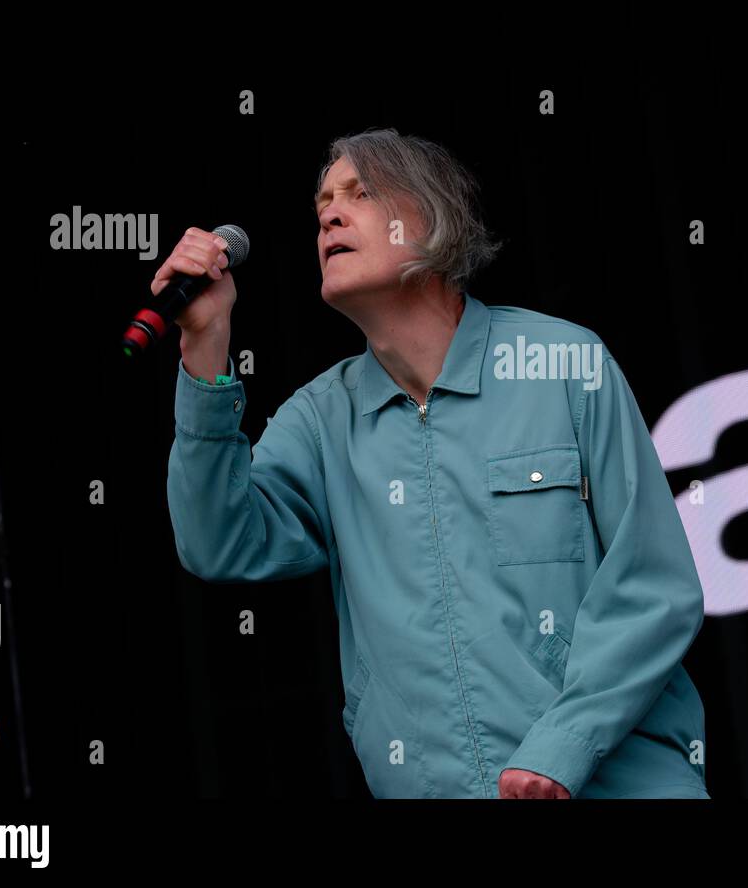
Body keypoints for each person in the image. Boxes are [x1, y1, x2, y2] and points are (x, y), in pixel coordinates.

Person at [160, 127, 710, 799]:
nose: (329, 213)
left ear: (433, 217)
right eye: (322, 204)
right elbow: (219, 543)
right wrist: (206, 345)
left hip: (621, 785)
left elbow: (653, 589)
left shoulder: (564, 362)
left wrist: (561, 747)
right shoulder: (321, 417)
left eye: (359, 193)